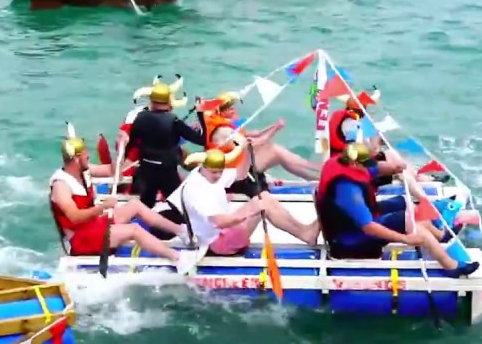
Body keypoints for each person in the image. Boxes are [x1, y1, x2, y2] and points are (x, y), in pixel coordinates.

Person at [316, 143, 480, 277]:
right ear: (354, 163)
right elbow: (369, 227)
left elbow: (375, 168)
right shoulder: (349, 190)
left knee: (411, 205)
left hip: (354, 220)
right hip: (352, 239)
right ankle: (450, 266)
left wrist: (395, 168)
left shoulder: (342, 161)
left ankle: (440, 236)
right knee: (413, 225)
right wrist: (405, 239)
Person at [51, 135, 197, 262]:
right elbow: (75, 217)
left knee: (135, 205)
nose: (88, 156)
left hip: (92, 224)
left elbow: (113, 171)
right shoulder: (61, 186)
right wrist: (102, 207)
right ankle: (176, 257)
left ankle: (182, 231)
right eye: (85, 154)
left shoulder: (84, 169)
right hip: (81, 239)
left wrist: (121, 149)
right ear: (76, 159)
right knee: (134, 230)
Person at [169, 150, 319, 271]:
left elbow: (239, 174)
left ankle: (304, 232)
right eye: (215, 173)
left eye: (220, 172)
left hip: (220, 233)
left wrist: (247, 149)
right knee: (262, 202)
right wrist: (248, 211)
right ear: (205, 167)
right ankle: (305, 233)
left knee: (262, 200)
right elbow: (220, 222)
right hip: (216, 244)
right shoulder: (197, 190)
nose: (218, 176)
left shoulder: (203, 173)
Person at [203, 93, 320, 194]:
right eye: (229, 108)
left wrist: (274, 126)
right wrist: (276, 130)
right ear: (221, 112)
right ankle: (318, 169)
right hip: (236, 172)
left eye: (233, 107)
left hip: (241, 163)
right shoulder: (223, 131)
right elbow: (252, 144)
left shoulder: (229, 126)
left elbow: (255, 134)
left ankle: (314, 178)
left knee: (278, 155)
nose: (234, 110)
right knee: (274, 150)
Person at [124, 83, 205, 207]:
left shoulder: (140, 118)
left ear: (151, 101)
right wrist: (200, 113)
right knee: (177, 205)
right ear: (169, 103)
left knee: (146, 205)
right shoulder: (174, 121)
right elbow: (202, 139)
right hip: (167, 172)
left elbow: (130, 145)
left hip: (146, 171)